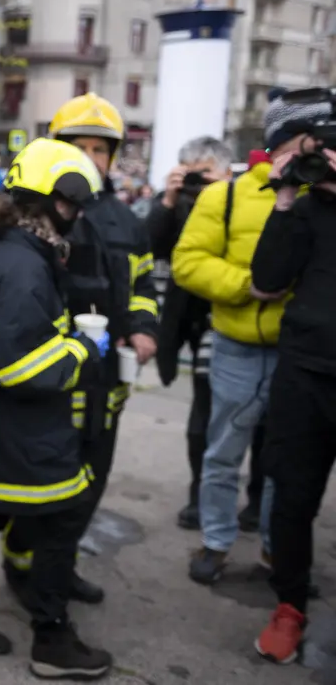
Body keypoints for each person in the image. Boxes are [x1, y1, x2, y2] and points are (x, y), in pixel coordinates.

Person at [0, 92, 160, 605]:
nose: (92, 157)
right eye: (79, 147)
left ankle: (50, 574)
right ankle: (34, 583)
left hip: (99, 385)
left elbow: (140, 287)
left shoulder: (125, 224)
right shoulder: (25, 232)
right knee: (46, 496)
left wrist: (141, 328)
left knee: (83, 487)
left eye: (101, 149)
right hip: (54, 380)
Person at [0, 138, 112, 680]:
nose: (79, 218)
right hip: (21, 433)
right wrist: (82, 350)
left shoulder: (11, 251)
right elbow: (16, 366)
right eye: (75, 206)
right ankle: (51, 638)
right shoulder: (26, 268)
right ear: (56, 202)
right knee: (60, 519)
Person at [171, 95, 325, 585]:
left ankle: (277, 550)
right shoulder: (227, 195)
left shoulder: (324, 196)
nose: (318, 149)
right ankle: (217, 541)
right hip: (235, 348)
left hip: (299, 354)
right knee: (222, 453)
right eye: (310, 139)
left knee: (286, 461)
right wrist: (247, 286)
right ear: (281, 142)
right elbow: (188, 263)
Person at [147, 137, 267, 532]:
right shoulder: (177, 205)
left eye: (206, 173)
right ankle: (202, 494)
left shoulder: (243, 202)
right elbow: (149, 247)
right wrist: (169, 201)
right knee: (205, 416)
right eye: (190, 172)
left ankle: (256, 502)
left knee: (261, 420)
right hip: (194, 325)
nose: (199, 181)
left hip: (242, 320)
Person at [250, 131, 336, 665]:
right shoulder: (308, 208)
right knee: (292, 495)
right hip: (306, 372)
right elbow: (266, 280)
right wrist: (284, 196)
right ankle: (289, 606)